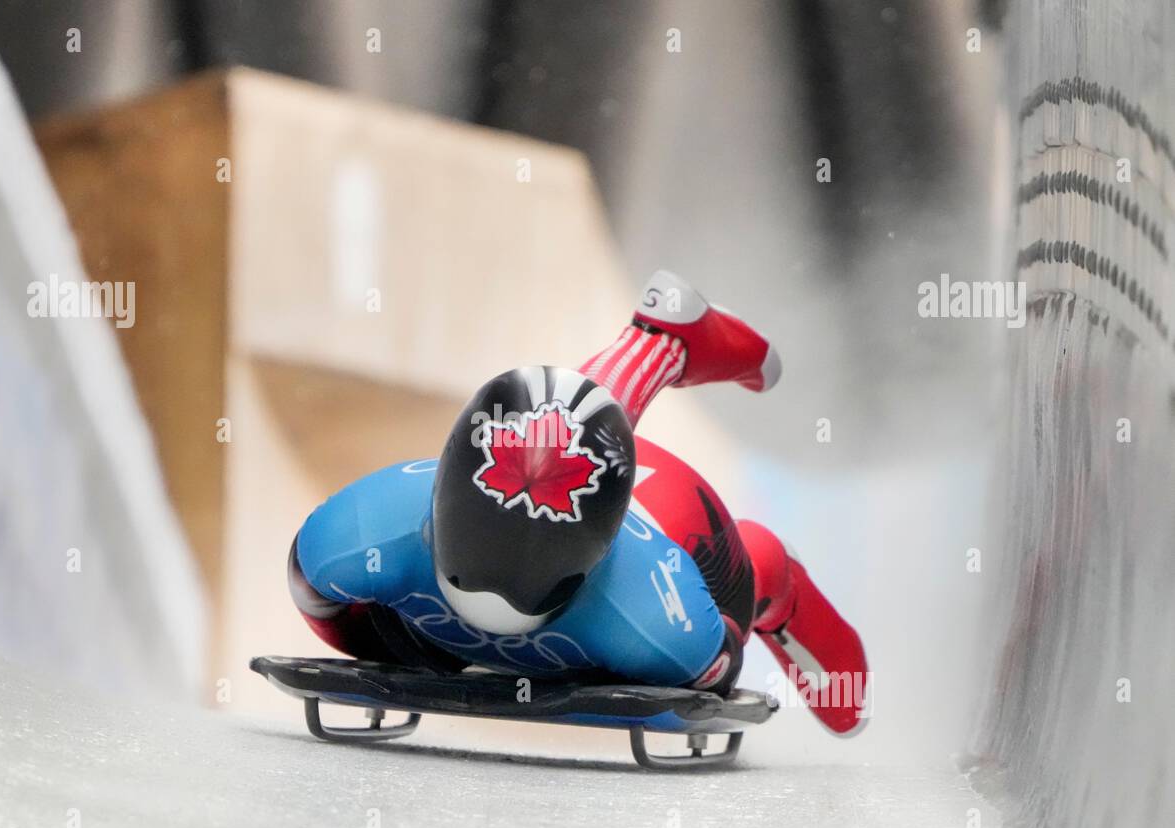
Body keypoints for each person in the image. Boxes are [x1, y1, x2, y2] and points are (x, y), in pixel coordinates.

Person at [288, 271, 869, 735]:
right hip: (604, 542)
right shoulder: (353, 537)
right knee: (552, 439)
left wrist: (418, 651)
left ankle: (772, 565)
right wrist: (411, 650)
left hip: (673, 512)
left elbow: (718, 667)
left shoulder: (661, 622)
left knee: (742, 585)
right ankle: (658, 344)